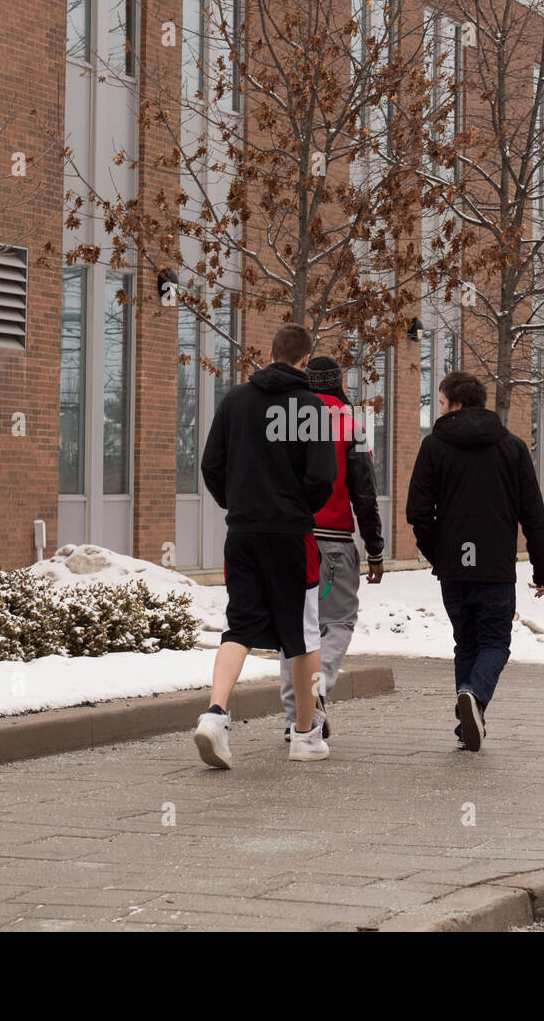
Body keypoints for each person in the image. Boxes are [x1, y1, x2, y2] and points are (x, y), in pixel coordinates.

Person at [194, 323, 337, 767]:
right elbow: (323, 478)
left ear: (270, 353)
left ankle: (215, 715)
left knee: (238, 627)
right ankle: (305, 735)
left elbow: (211, 464)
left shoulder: (235, 400)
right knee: (303, 636)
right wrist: (295, 508)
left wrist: (238, 503)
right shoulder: (313, 408)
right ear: (305, 361)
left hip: (242, 533)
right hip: (291, 536)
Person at [406, 370, 544, 751]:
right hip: (495, 567)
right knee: (494, 643)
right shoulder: (512, 447)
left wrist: (438, 553)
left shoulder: (433, 447)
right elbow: (533, 514)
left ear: (455, 403)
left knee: (465, 644)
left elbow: (418, 511)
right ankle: (474, 697)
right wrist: (542, 570)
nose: (438, 410)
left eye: (439, 402)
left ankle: (467, 719)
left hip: (455, 568)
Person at [278, 356, 384, 741]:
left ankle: (298, 721)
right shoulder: (351, 426)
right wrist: (374, 550)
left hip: (290, 538)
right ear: (339, 384)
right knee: (337, 622)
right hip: (335, 541)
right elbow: (365, 494)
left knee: (294, 631)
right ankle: (317, 688)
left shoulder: (286, 423)